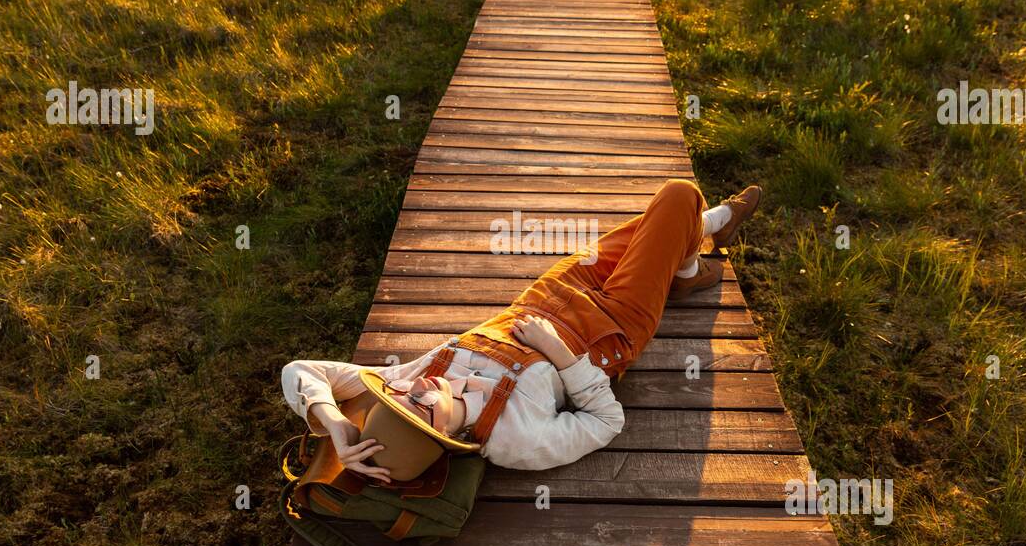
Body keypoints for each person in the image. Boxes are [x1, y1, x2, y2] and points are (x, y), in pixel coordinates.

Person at [280, 178, 759, 479]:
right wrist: (562, 356)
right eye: (420, 403)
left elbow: (300, 370)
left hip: (555, 290)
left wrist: (338, 425)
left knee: (651, 230)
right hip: (614, 323)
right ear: (442, 434)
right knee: (677, 197)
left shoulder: (411, 381)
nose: (417, 384)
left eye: (399, 394)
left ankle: (693, 254)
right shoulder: (516, 441)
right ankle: (698, 247)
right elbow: (607, 422)